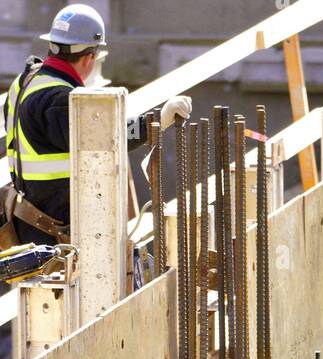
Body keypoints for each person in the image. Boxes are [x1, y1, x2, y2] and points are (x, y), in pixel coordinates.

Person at [2, 5, 192, 248]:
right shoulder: (58, 99)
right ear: (89, 57)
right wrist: (158, 120)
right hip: (52, 234)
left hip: (27, 220)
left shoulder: (25, 81)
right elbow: (108, 138)